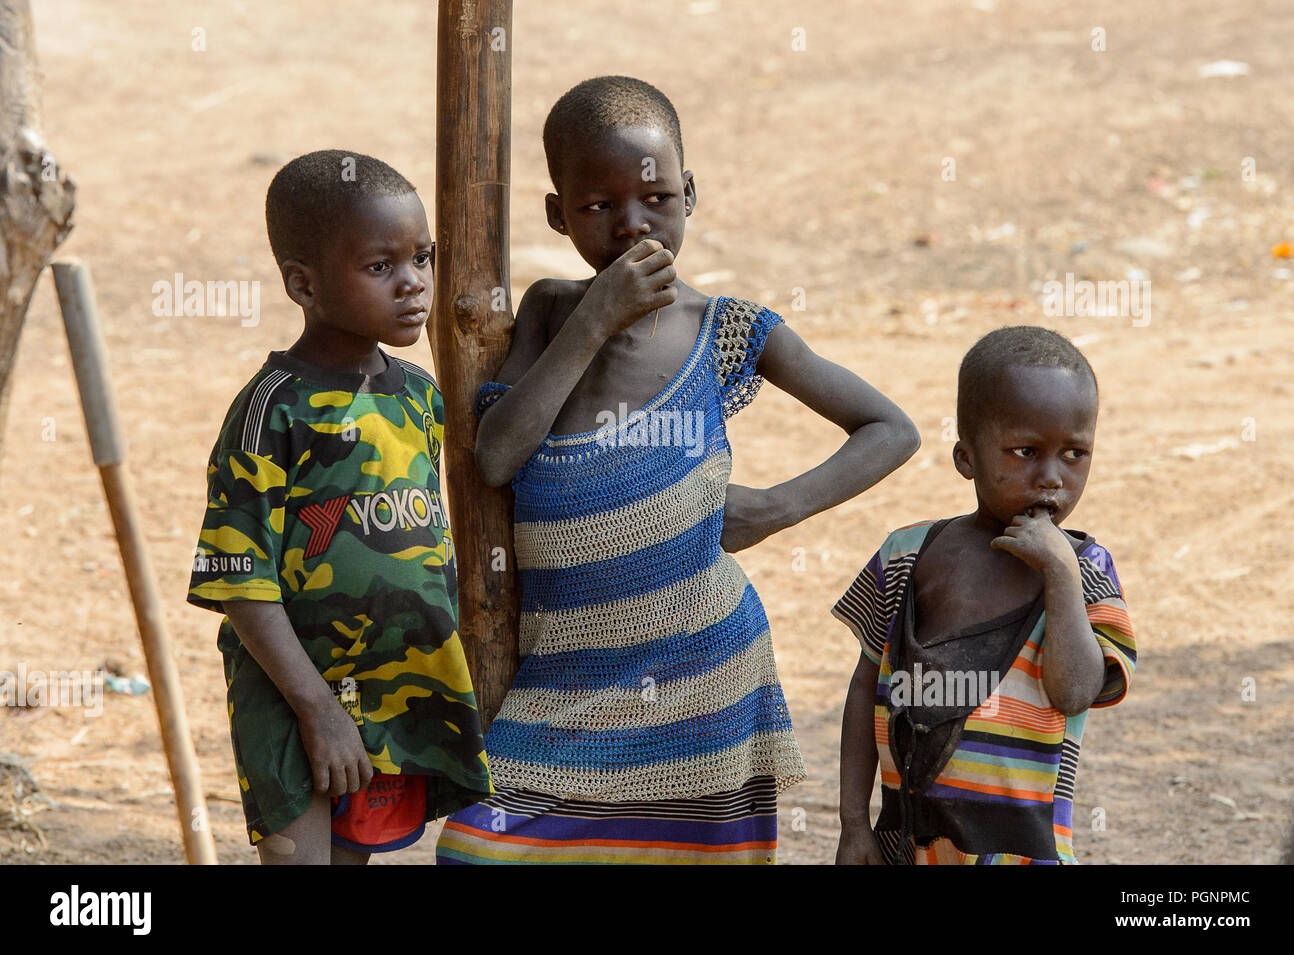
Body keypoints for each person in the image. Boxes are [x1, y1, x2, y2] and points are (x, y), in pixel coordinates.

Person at [434, 76, 919, 865]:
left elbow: (891, 429)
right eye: (597, 206)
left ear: (689, 193)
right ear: (559, 215)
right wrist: (595, 319)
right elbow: (495, 455)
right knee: (478, 849)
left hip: (703, 670)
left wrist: (776, 506)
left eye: (655, 196)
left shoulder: (726, 329)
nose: (631, 223)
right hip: (568, 682)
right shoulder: (553, 311)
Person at [187, 150, 492, 864]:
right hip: (292, 695)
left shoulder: (419, 395)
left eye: (422, 257)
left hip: (397, 688)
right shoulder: (273, 409)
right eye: (380, 267)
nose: (413, 281)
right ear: (304, 283)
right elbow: (240, 580)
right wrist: (317, 709)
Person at [833, 325, 1137, 865]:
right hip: (902, 843)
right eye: (1025, 451)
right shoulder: (906, 556)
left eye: (1074, 454)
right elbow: (865, 688)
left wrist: (1060, 576)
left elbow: (1075, 694)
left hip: (1022, 852)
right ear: (966, 458)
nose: (1051, 479)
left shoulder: (1087, 571)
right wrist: (854, 825)